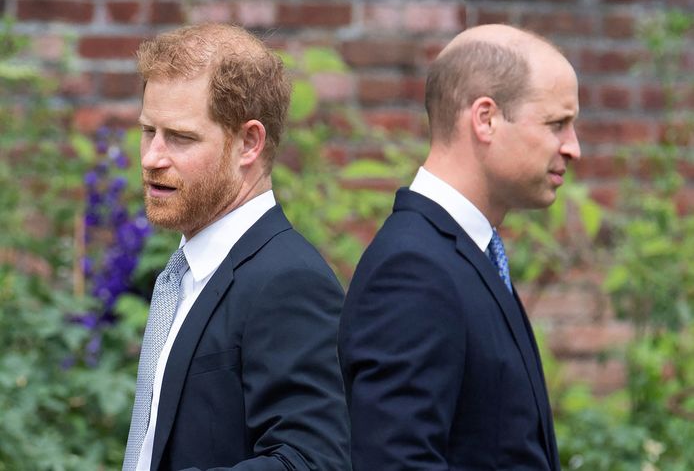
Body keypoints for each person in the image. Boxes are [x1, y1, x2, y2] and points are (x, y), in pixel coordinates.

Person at [339, 23, 581, 470]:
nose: (574, 148)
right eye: (557, 124)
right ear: (485, 119)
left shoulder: (465, 255)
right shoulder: (413, 270)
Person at [122, 23, 350, 471]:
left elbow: (313, 460)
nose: (152, 157)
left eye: (181, 137)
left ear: (249, 142)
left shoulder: (288, 281)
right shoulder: (185, 274)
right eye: (149, 131)